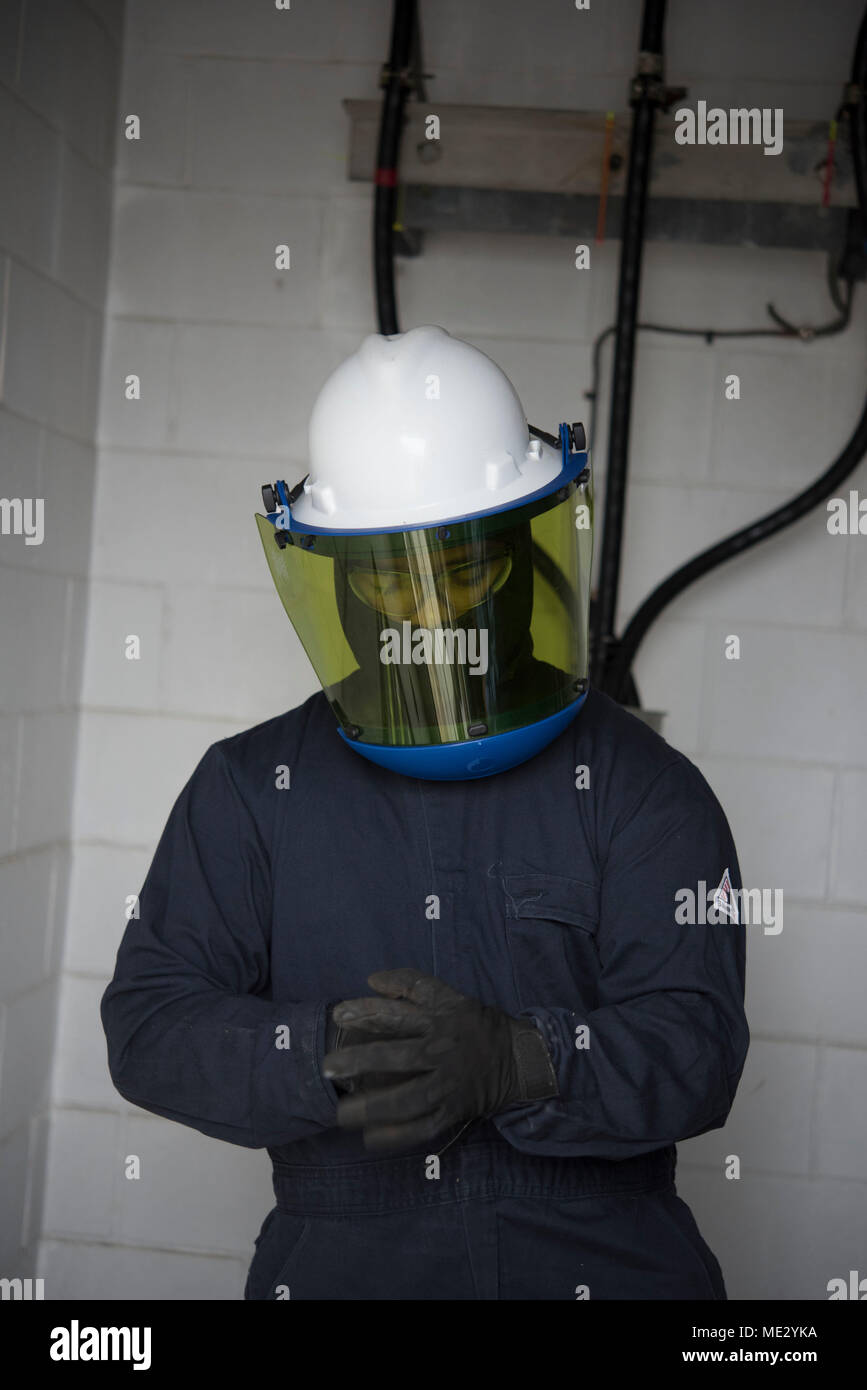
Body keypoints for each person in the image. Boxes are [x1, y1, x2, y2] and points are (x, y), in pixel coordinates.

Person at [101, 325, 749, 1301]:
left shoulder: (640, 784)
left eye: (459, 566)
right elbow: (150, 1026)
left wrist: (527, 1060)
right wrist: (328, 1052)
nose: (427, 612)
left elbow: (699, 1049)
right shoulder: (250, 787)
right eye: (391, 572)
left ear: (516, 554)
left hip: (610, 1266)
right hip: (339, 1266)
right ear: (343, 577)